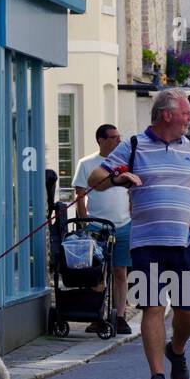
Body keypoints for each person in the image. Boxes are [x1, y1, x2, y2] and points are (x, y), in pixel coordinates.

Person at [88, 88, 190, 379]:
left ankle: (176, 349)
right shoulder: (134, 146)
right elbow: (95, 178)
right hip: (146, 244)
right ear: (167, 114)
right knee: (152, 307)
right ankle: (157, 377)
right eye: (186, 112)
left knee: (187, 313)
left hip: (184, 241)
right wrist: (119, 178)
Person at [73, 124, 132, 335]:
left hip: (124, 224)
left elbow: (133, 191)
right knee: (97, 273)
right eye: (114, 137)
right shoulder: (87, 163)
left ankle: (121, 316)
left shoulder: (126, 163)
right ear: (101, 140)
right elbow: (79, 195)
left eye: (119, 136)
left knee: (120, 272)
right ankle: (96, 315)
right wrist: (84, 223)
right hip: (97, 226)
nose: (118, 141)